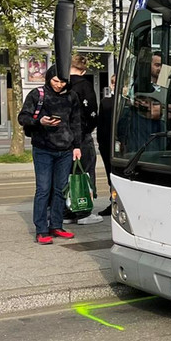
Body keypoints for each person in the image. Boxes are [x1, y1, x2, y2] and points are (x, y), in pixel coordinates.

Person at [19, 66, 82, 244]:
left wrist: (77, 146)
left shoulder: (72, 96)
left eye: (62, 82)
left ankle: (56, 225)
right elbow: (22, 117)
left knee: (60, 189)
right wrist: (40, 121)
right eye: (55, 81)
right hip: (43, 148)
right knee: (43, 189)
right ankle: (41, 229)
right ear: (48, 78)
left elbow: (76, 122)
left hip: (65, 149)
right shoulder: (37, 94)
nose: (59, 85)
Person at [64, 55, 102, 224]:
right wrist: (90, 127)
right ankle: (84, 211)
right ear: (84, 69)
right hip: (82, 135)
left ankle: (67, 211)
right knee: (85, 171)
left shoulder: (59, 84)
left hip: (63, 137)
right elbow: (92, 111)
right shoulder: (84, 85)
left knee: (66, 174)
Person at [97, 74, 115, 217]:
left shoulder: (131, 102)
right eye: (113, 83)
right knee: (110, 174)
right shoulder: (106, 102)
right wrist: (101, 142)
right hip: (107, 143)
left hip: (120, 144)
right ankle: (113, 200)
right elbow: (101, 124)